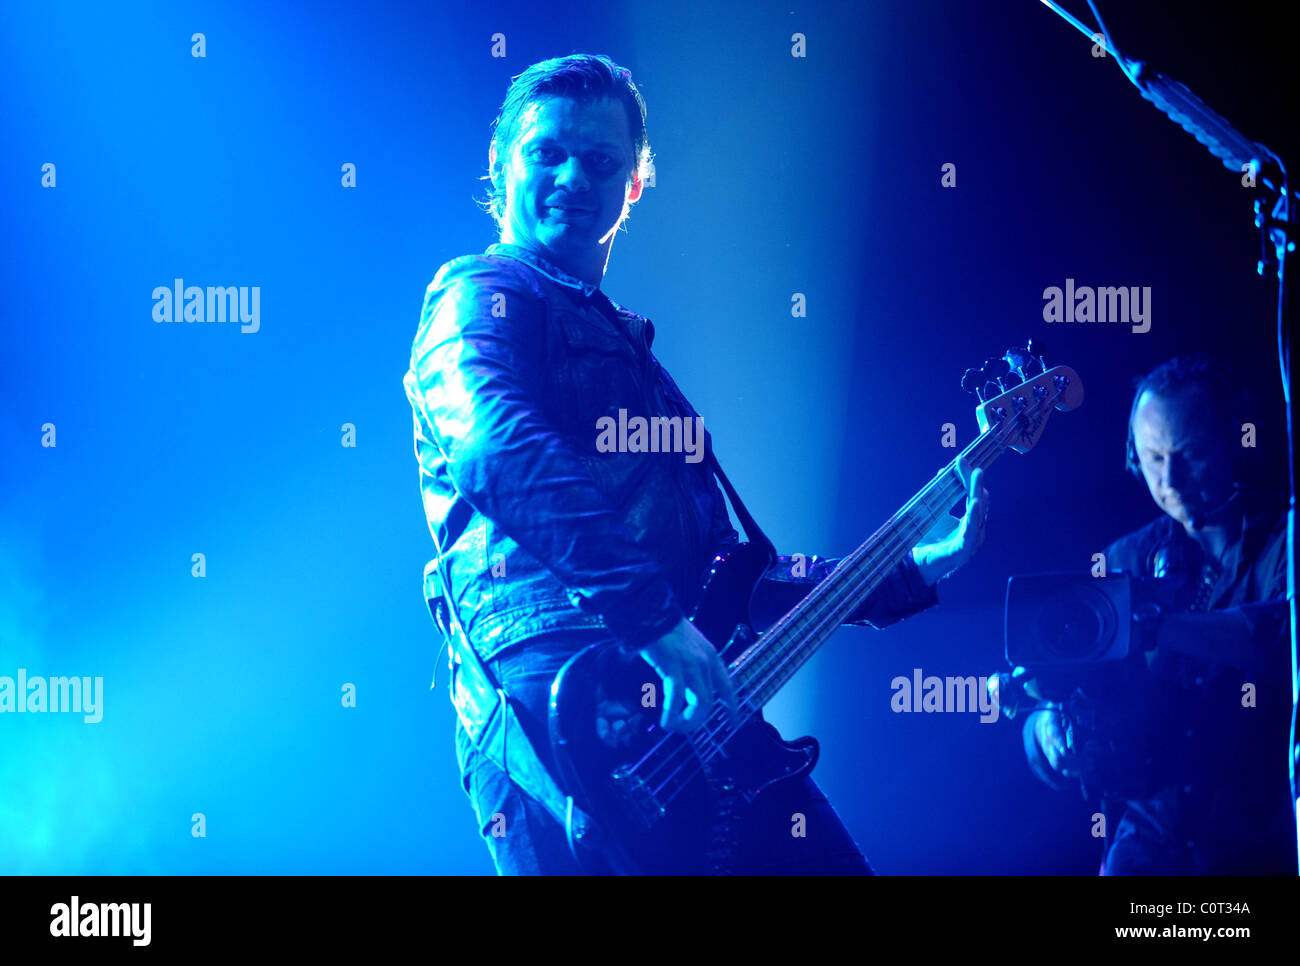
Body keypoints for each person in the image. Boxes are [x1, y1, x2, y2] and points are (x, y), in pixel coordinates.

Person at [402, 53, 989, 875]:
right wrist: (653, 622)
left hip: (694, 705)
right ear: (501, 168)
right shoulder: (479, 295)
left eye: (601, 161)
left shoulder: (646, 369)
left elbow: (738, 576)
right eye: (548, 153)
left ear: (633, 186)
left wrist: (911, 570)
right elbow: (490, 443)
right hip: (569, 709)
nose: (574, 176)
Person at [1020, 355, 1293, 874]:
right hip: (1146, 847)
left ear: (1233, 440)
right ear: (1132, 456)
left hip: (1262, 845)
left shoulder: (1287, 539)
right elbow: (1065, 694)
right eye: (1153, 457)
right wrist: (1046, 732)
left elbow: (1277, 638)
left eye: (1190, 454)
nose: (1173, 478)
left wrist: (1150, 626)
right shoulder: (1121, 561)